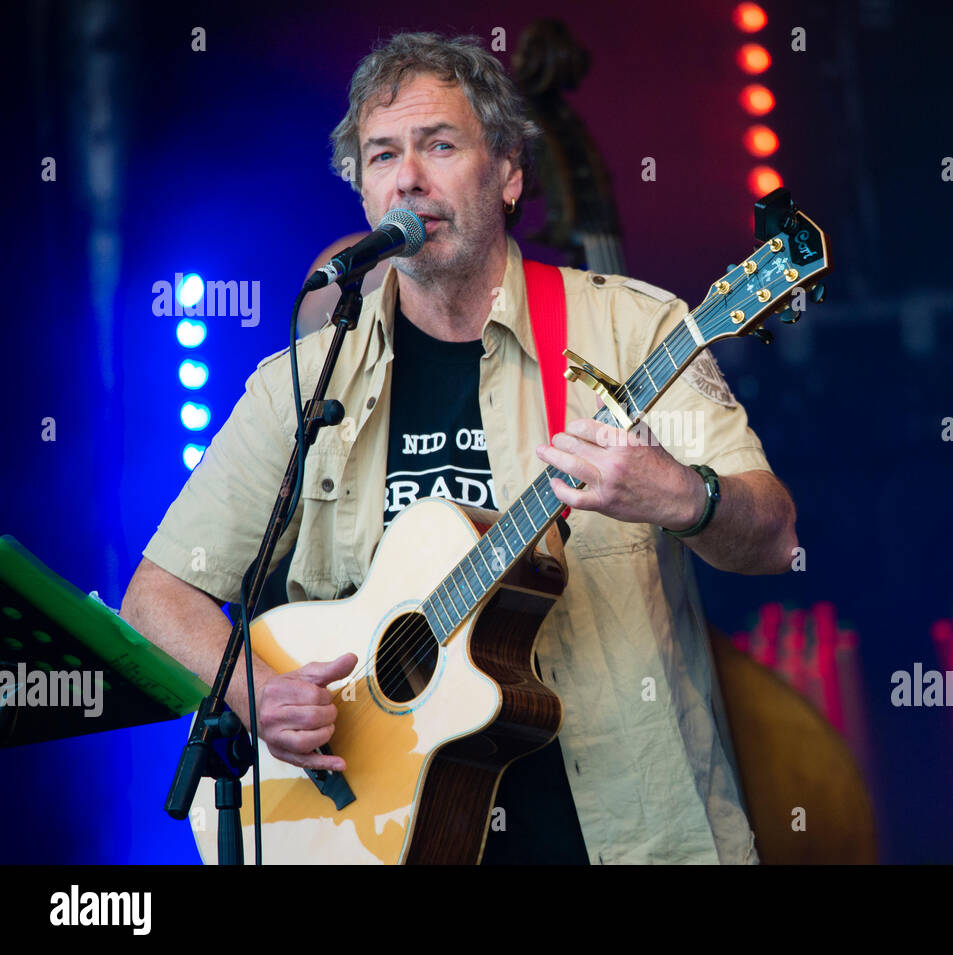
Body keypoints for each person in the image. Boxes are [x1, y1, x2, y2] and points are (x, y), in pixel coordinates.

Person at [120, 31, 797, 865]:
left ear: (508, 173)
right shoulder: (299, 381)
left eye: (438, 145)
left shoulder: (634, 329)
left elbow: (776, 538)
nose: (408, 175)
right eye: (382, 156)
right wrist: (251, 693)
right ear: (366, 195)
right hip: (378, 829)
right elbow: (156, 593)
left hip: (621, 833)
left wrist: (685, 497)